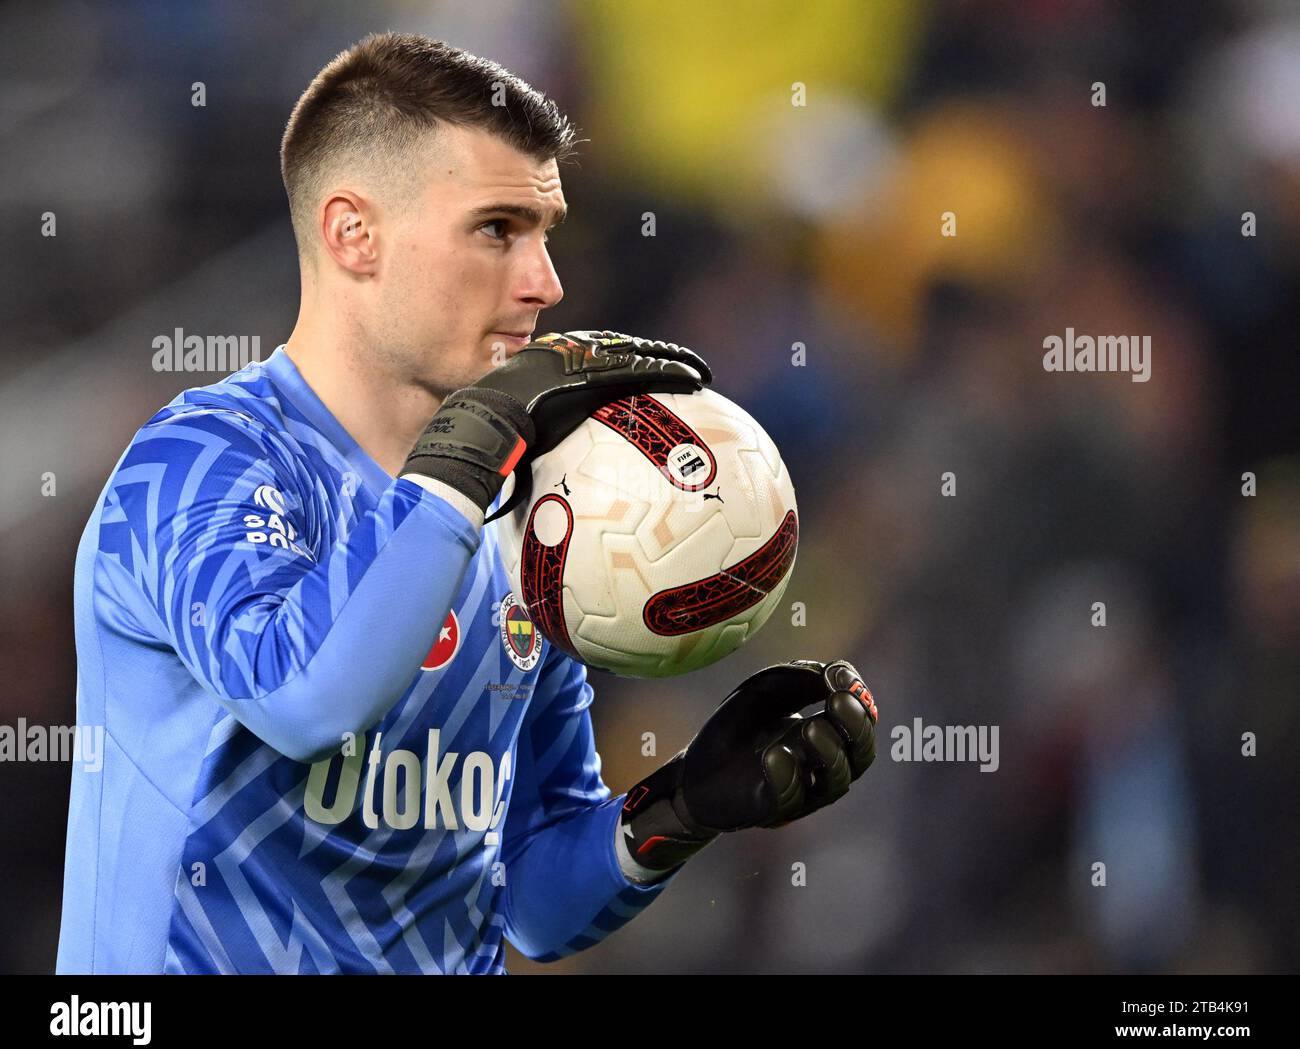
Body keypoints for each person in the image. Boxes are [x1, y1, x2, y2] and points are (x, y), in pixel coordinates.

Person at [56, 31, 878, 974]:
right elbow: (300, 695)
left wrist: (677, 809)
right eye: (496, 229)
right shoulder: (196, 462)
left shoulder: (518, 523)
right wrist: (476, 439)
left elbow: (524, 896)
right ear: (351, 233)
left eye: (546, 233)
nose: (546, 284)